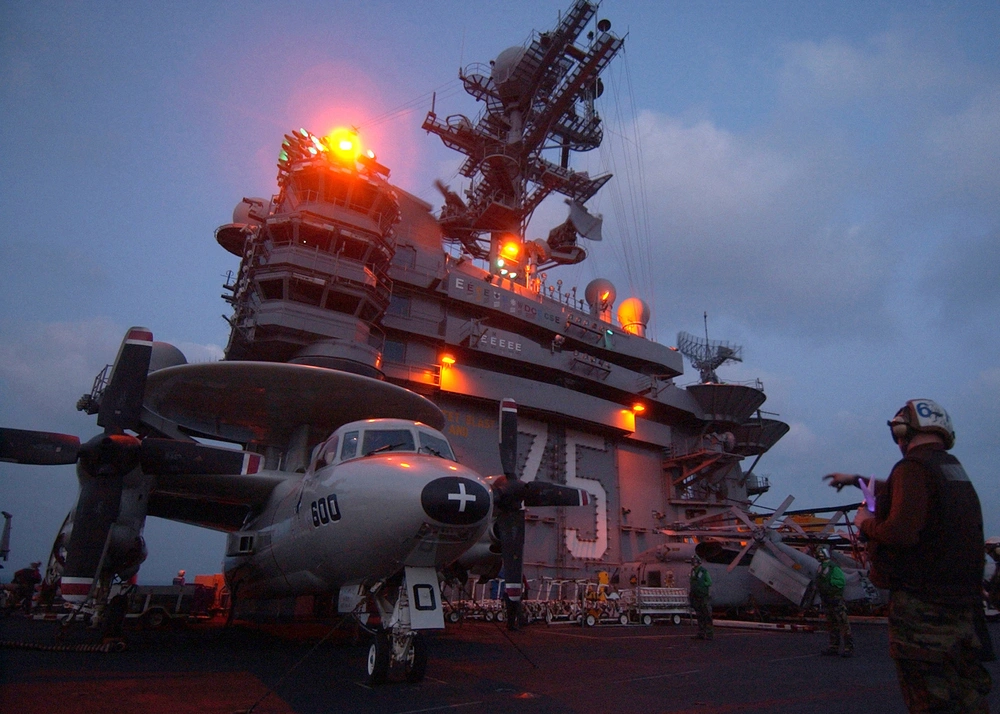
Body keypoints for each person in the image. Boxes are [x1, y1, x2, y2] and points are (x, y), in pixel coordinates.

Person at [824, 398, 992, 712]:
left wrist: (866, 523)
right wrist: (857, 479)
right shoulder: (951, 468)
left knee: (930, 699)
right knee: (968, 697)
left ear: (901, 430)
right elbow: (916, 494)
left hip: (924, 613)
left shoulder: (911, 467)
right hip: (963, 610)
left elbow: (901, 533)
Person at [814, 546, 854, 657]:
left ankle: (848, 648)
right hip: (827, 598)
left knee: (843, 623)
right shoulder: (821, 567)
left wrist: (830, 589)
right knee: (832, 624)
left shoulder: (832, 567)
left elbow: (840, 582)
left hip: (834, 599)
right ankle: (834, 647)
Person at [689, 555, 713, 640]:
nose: (693, 563)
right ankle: (701, 633)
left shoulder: (703, 571)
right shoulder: (693, 571)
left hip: (703, 596)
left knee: (707, 614)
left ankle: (709, 633)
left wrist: (702, 586)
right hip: (696, 596)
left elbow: (709, 582)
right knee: (699, 615)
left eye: (694, 561)